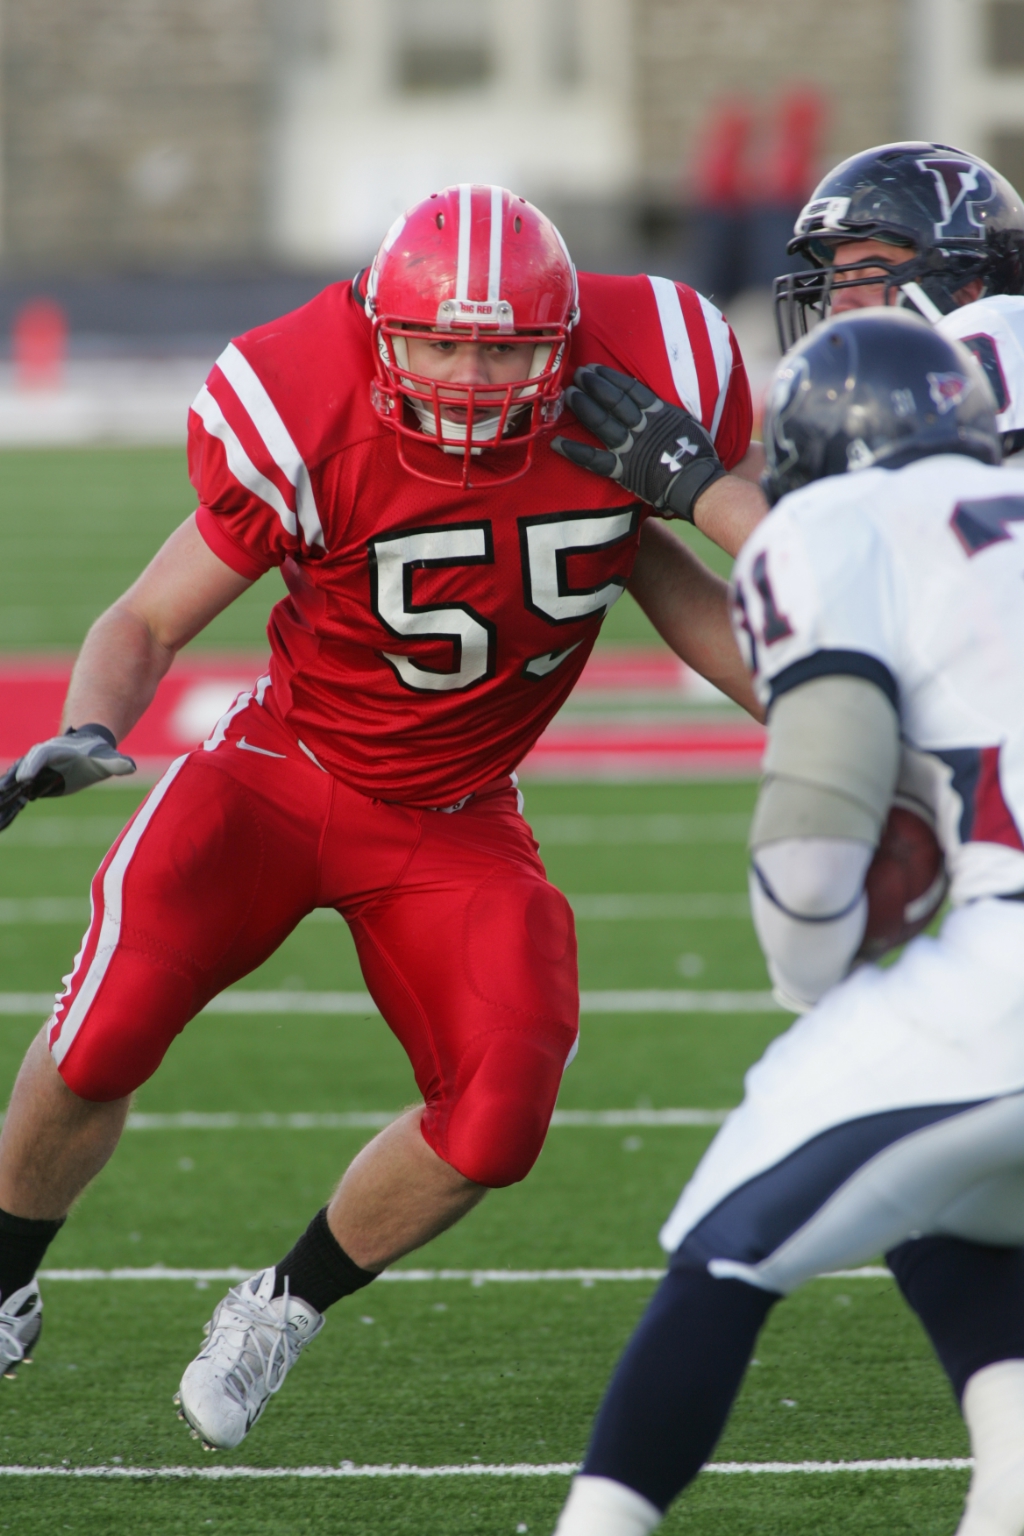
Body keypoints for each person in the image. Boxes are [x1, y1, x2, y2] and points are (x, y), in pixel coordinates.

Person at [0, 184, 766, 1450]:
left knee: (499, 1115)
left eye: (504, 349)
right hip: (278, 773)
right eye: (439, 343)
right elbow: (144, 617)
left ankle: (283, 1302)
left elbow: (661, 569)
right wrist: (89, 726)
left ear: (565, 339)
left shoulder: (640, 384)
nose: (469, 378)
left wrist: (811, 703)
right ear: (377, 329)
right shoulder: (308, 405)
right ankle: (4, 1275)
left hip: (456, 815)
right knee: (102, 1034)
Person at [552, 308, 1024, 1536]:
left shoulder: (833, 522)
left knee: (725, 1241)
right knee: (962, 1201)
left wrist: (823, 978)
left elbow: (814, 846)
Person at [774, 139, 1024, 459]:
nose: (840, 307)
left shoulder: (1000, 340)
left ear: (966, 292)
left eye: (871, 278)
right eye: (838, 282)